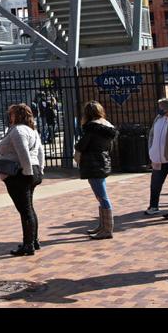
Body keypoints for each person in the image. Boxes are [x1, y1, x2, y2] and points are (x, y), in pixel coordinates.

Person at [0, 104, 45, 255]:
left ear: (17, 115)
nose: (9, 116)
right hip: (31, 171)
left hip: (20, 174)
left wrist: (27, 172)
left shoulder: (18, 131)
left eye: (11, 114)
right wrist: (40, 170)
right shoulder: (32, 130)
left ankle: (28, 245)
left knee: (25, 210)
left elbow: (23, 152)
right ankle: (34, 241)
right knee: (29, 208)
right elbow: (40, 152)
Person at [76, 101, 118, 240]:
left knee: (102, 197)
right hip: (103, 161)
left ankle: (107, 229)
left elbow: (82, 145)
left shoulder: (92, 128)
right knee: (101, 195)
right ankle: (103, 226)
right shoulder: (107, 125)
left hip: (93, 164)